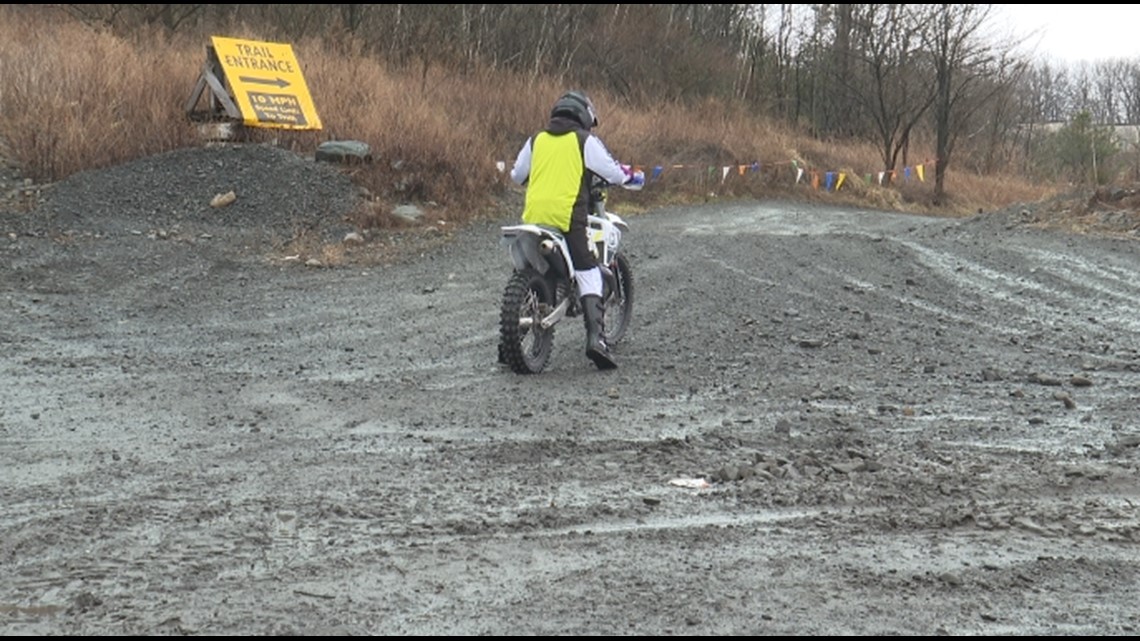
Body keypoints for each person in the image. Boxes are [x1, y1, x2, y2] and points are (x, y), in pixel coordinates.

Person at [509, 90, 644, 370]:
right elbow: (613, 172)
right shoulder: (585, 141)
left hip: (533, 218)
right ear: (583, 116)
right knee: (588, 270)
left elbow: (517, 175)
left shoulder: (536, 140)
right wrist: (634, 176)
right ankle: (597, 340)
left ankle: (506, 344)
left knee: (528, 271)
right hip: (567, 218)